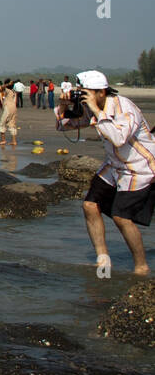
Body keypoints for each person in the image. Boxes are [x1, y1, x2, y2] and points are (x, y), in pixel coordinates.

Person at [57, 71, 154, 276]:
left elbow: (118, 138)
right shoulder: (92, 107)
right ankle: (103, 260)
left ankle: (141, 266)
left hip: (139, 166)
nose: (84, 97)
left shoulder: (124, 107)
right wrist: (64, 107)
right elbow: (63, 126)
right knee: (90, 205)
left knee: (121, 217)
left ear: (101, 92)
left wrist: (95, 109)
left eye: (86, 92)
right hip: (115, 165)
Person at [0, 78, 19, 147]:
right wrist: (8, 84)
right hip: (14, 107)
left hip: (8, 107)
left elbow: (0, 88)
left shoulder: (7, 90)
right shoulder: (14, 91)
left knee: (2, 123)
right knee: (12, 123)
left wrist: (7, 84)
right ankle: (14, 141)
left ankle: (3, 140)